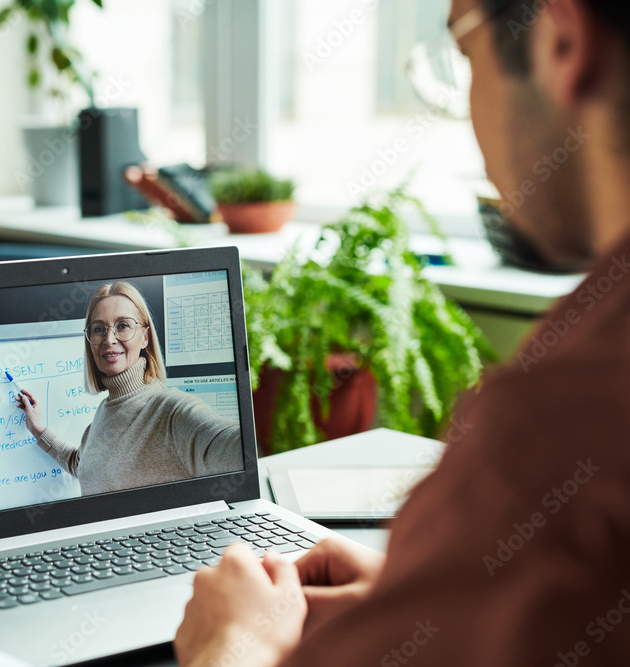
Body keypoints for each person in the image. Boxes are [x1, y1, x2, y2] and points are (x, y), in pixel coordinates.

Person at [175, 0, 630, 665]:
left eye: (463, 53)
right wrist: (421, 597)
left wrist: (231, 644)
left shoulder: (554, 431)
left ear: (564, 40)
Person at [15, 281, 243, 495]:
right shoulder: (102, 413)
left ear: (145, 337)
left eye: (122, 325)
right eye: (98, 329)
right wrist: (37, 429)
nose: (109, 339)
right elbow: (82, 465)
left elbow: (229, 443)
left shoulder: (174, 411)